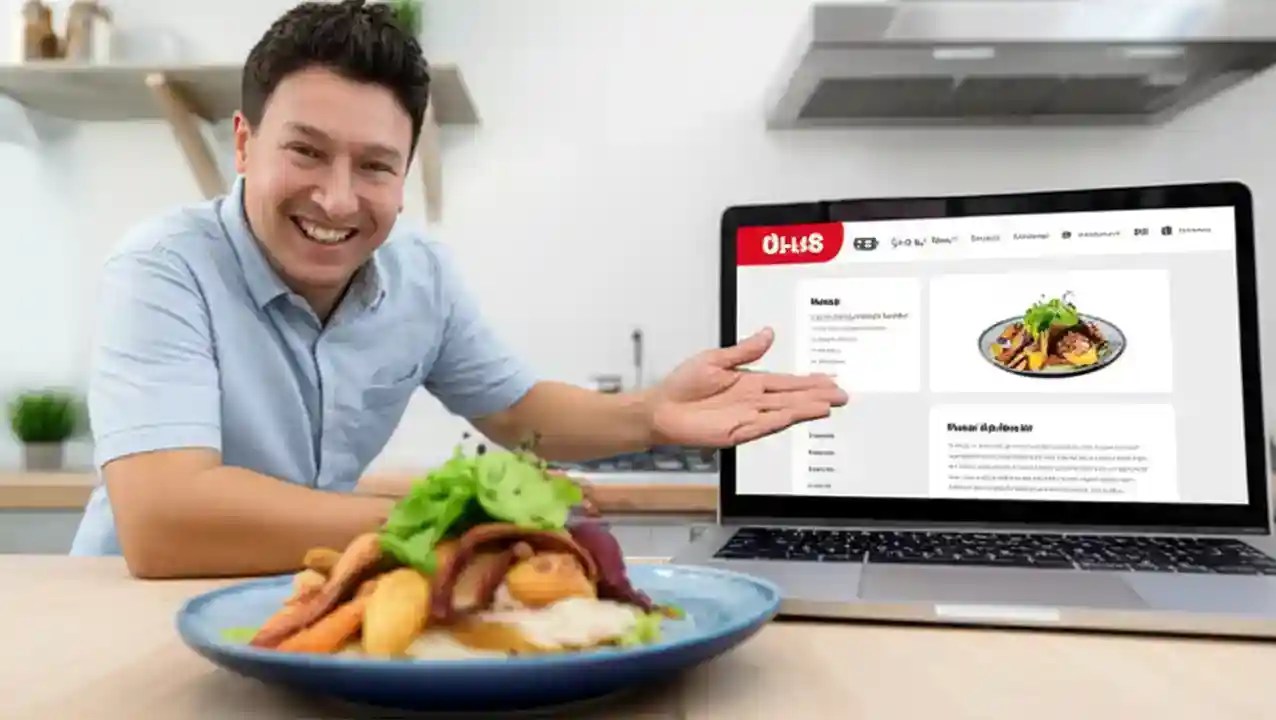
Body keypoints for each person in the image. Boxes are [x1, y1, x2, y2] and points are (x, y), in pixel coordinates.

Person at [68, 0, 847, 578]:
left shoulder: (421, 276)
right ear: (244, 144)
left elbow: (516, 410)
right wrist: (463, 517)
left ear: (405, 170)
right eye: (305, 152)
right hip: (124, 612)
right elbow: (165, 520)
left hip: (291, 592)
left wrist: (653, 414)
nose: (337, 199)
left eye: (375, 166)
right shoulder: (164, 267)